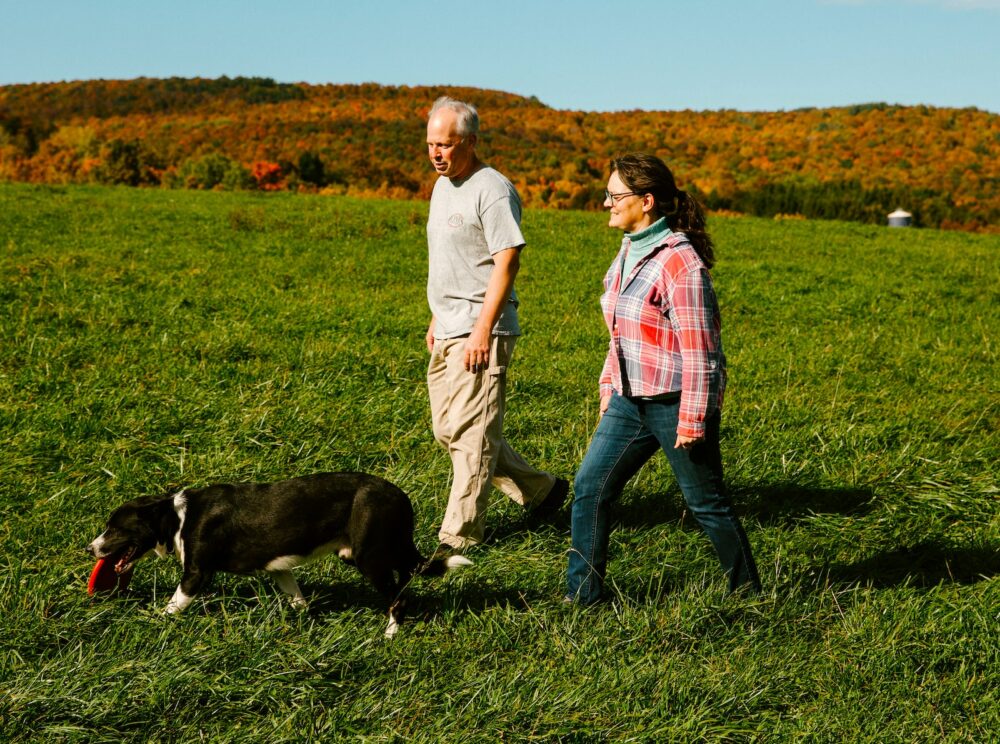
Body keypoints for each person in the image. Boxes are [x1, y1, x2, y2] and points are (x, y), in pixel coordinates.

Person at [565, 153, 761, 604]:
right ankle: (583, 597)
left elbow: (703, 353)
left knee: (706, 505)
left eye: (615, 196)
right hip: (629, 401)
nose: (607, 204)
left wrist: (693, 420)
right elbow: (619, 332)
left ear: (646, 200)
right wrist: (609, 386)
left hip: (676, 403)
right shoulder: (628, 250)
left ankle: (748, 593)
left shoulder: (680, 264)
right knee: (590, 488)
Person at [424, 96, 567, 554]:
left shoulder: (493, 188)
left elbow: (507, 260)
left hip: (482, 329)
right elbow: (453, 261)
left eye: (445, 144)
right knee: (450, 430)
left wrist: (483, 329)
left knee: (470, 438)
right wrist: (436, 317)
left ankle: (458, 538)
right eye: (431, 144)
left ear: (470, 141)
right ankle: (542, 492)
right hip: (448, 326)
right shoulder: (442, 187)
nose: (436, 153)